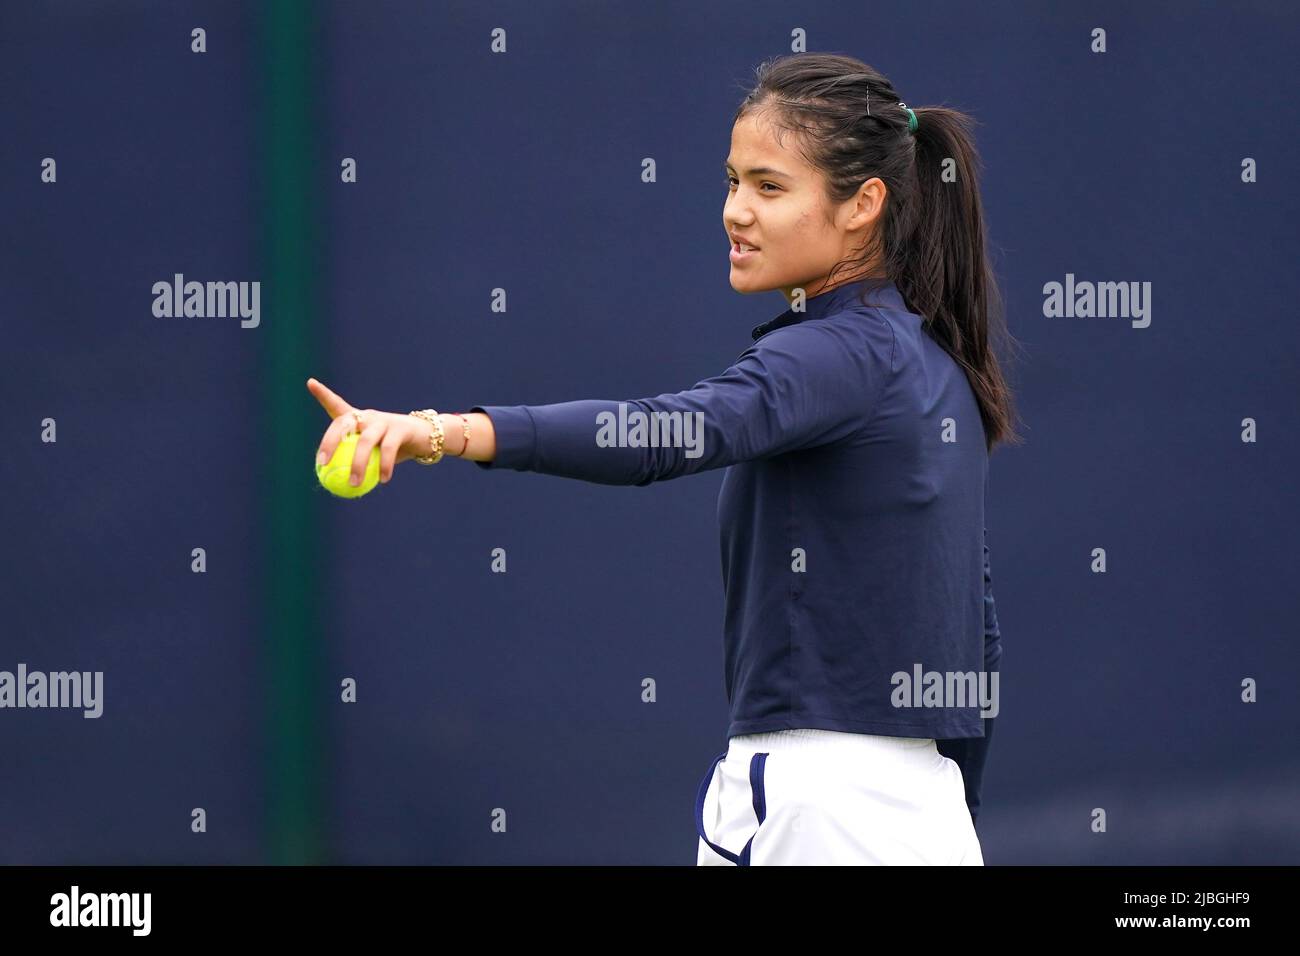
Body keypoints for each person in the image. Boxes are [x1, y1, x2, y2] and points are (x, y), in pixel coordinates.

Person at [307, 52, 1022, 865]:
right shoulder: (934, 366)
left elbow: (662, 432)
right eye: (732, 181)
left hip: (816, 809)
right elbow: (979, 629)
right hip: (916, 805)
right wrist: (948, 806)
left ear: (862, 205)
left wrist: (441, 431)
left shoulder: (834, 355)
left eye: (769, 186)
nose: (736, 212)